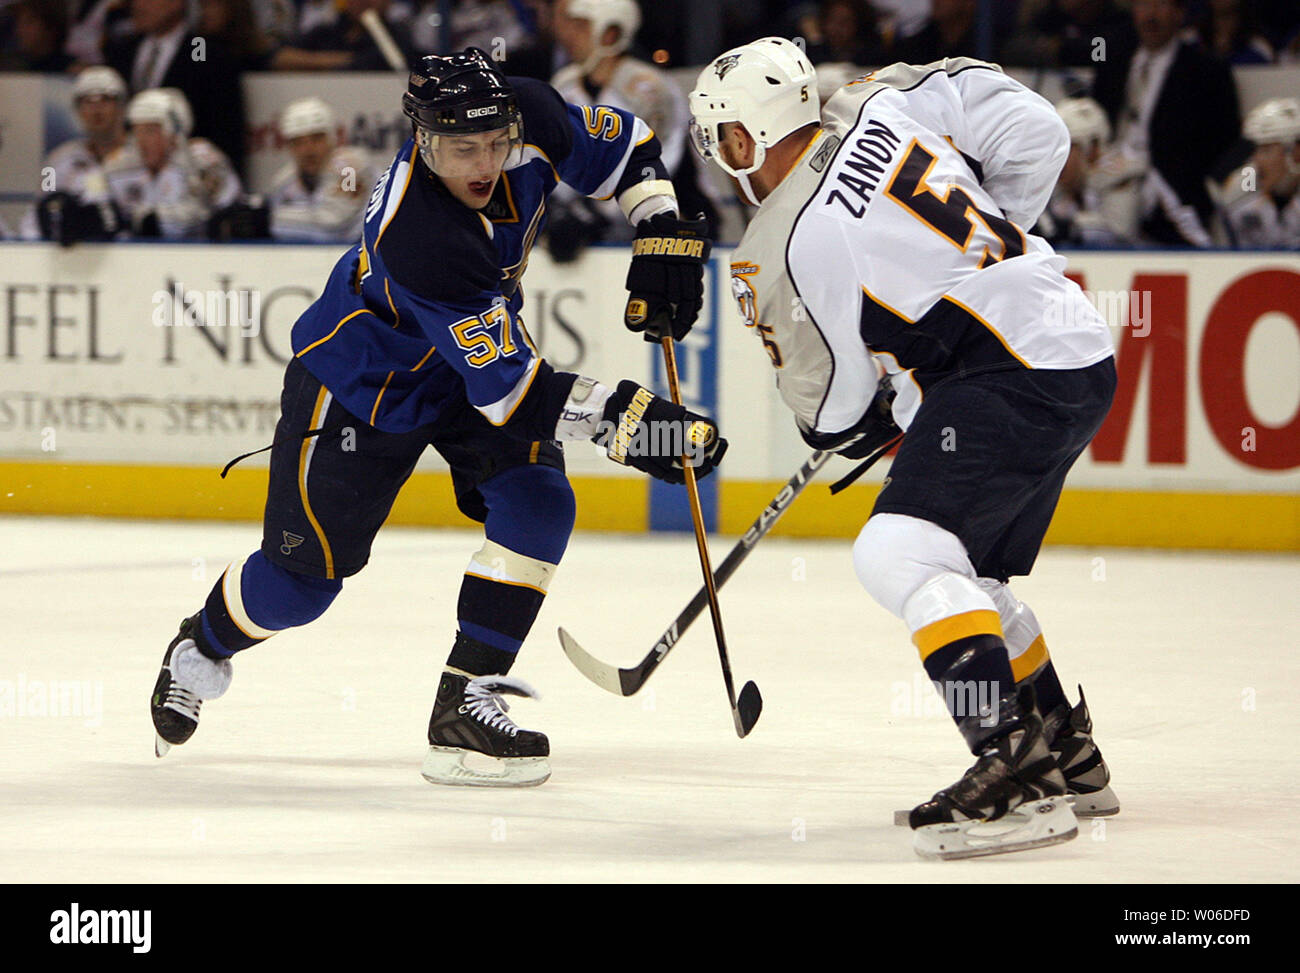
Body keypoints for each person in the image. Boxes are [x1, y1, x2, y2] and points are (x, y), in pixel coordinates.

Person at [149, 49, 725, 788]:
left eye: (495, 144)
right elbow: (514, 396)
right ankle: (200, 646)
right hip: (362, 383)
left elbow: (630, 148)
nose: (485, 163)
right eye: (462, 150)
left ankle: (466, 704)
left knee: (540, 499)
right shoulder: (417, 232)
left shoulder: (529, 113)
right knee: (299, 588)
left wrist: (661, 230)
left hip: (464, 371)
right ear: (422, 142)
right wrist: (643, 428)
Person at [689, 39, 1118, 859]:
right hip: (1072, 344)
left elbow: (834, 409)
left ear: (742, 139)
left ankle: (1011, 766)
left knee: (899, 553)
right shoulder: (878, 98)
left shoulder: (777, 246)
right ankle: (1065, 752)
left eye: (722, 140)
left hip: (1006, 370)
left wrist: (886, 392)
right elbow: (1038, 133)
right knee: (966, 575)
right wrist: (973, 259)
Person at [547, 0, 722, 260]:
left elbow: (651, 169)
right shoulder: (564, 86)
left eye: (582, 26)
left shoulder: (649, 90)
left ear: (610, 33)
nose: (570, 34)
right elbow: (555, 159)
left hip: (676, 222)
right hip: (593, 226)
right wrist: (560, 210)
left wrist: (590, 215)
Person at [1090, 0, 1240, 246]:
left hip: (1171, 186)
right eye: (1143, 4)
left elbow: (1225, 140)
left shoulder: (1206, 70)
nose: (1151, 14)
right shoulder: (1113, 60)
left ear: (1179, 12)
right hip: (1111, 172)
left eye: (1160, 4)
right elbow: (1097, 118)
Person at [104, 0, 249, 176]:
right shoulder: (123, 50)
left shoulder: (202, 49)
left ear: (177, 3)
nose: (138, 6)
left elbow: (226, 131)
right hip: (128, 178)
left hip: (188, 178)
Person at [25, 66, 130, 244]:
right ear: (78, 110)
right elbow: (38, 212)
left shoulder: (140, 155)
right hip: (71, 257)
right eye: (87, 102)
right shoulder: (55, 160)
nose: (96, 110)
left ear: (121, 106)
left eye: (105, 100)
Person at [1036, 97, 1130, 247]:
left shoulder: (1122, 176)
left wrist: (1068, 228)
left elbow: (1119, 233)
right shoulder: (1049, 180)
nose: (1056, 156)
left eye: (1067, 146)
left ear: (1093, 150)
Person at [1217, 97, 1300, 249]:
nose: (1257, 160)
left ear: (1296, 153)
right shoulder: (1239, 199)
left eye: (1266, 150)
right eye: (1257, 150)